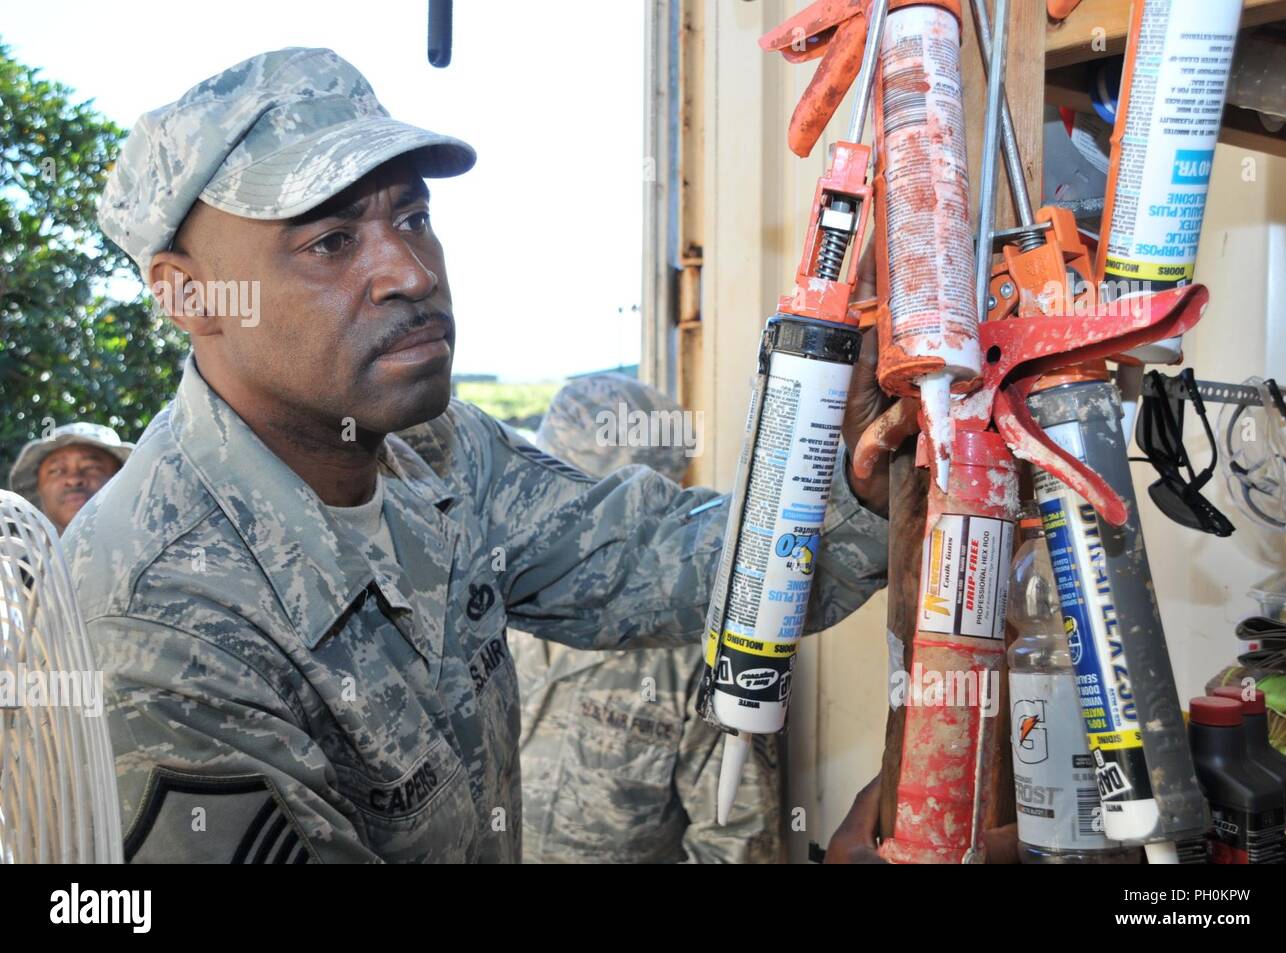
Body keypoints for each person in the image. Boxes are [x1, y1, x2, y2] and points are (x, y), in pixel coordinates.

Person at [69, 47, 894, 863]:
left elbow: (664, 557)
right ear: (189, 294)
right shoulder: (154, 621)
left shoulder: (435, 451)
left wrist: (862, 478)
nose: (410, 271)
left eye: (413, 218)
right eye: (329, 241)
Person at [505, 374, 781, 863]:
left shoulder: (702, 651)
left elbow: (737, 839)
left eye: (590, 512)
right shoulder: (482, 601)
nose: (561, 529)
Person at [7, 423, 133, 534]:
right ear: (38, 488)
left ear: (123, 480)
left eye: (91, 467)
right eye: (56, 470)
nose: (73, 479)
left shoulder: (150, 554)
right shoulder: (11, 559)